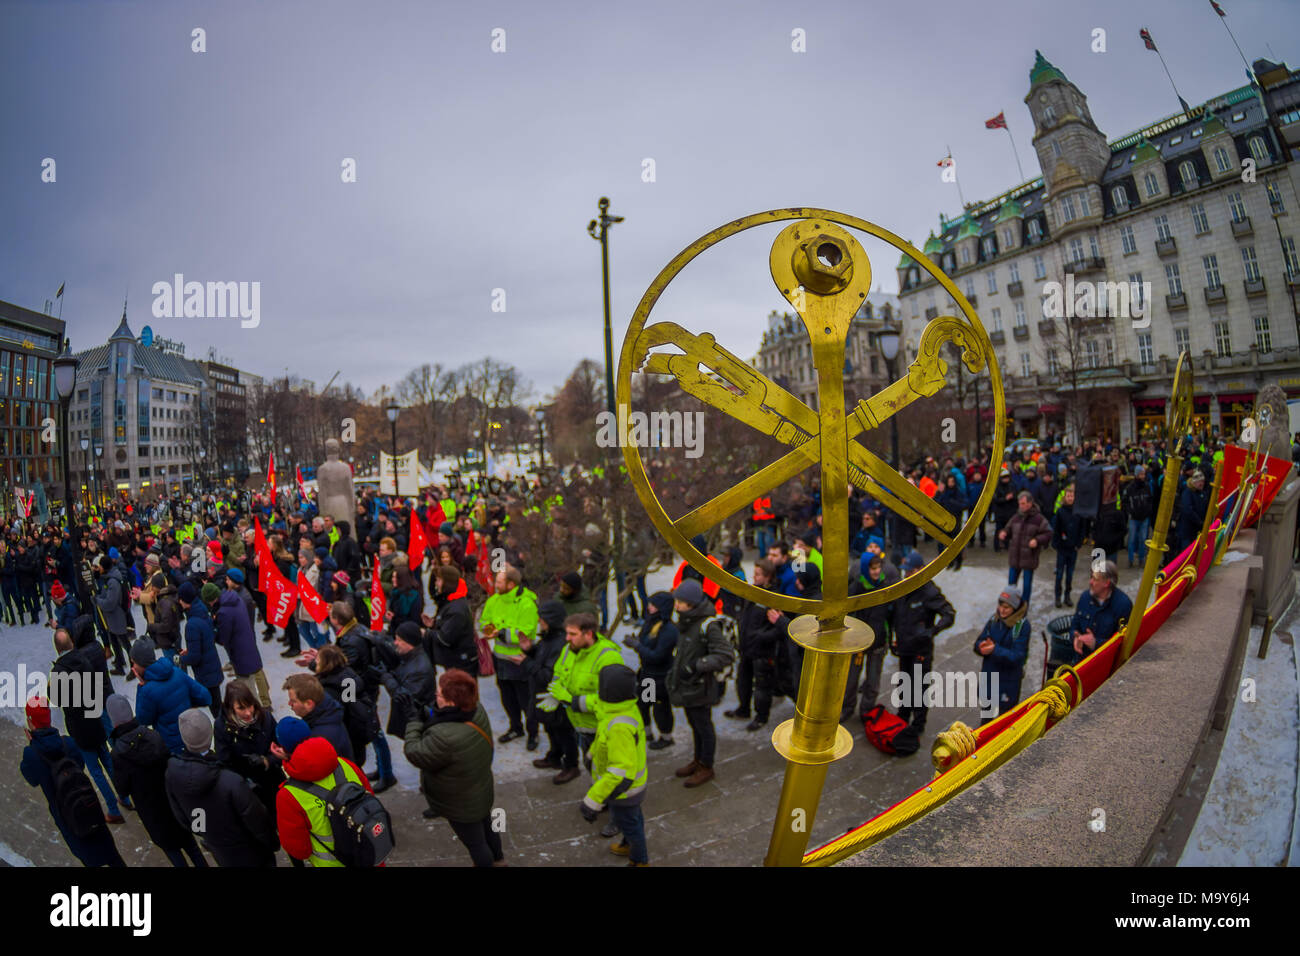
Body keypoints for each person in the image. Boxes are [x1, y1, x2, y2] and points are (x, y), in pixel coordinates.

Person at [402, 669, 504, 866]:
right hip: (480, 788)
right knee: (487, 826)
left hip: (460, 803)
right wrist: (430, 712)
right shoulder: (476, 709)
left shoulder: (444, 736)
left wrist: (413, 722)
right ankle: (499, 859)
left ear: (450, 702)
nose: (436, 696)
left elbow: (415, 752)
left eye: (438, 694)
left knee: (475, 844)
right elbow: (445, 719)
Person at [164, 708, 280, 867]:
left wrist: (210, 833)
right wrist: (272, 843)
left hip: (221, 852)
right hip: (252, 852)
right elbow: (257, 821)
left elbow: (184, 818)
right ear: (210, 733)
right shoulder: (230, 781)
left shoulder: (172, 775)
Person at [20, 696, 126, 867]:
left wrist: (32, 745)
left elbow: (31, 779)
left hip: (67, 816)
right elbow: (81, 765)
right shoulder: (67, 743)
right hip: (89, 804)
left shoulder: (32, 755)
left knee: (87, 856)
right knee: (111, 853)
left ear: (31, 722)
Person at [105, 694, 208, 867]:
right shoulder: (153, 735)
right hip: (173, 804)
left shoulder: (118, 755)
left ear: (113, 721)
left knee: (174, 854)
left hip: (152, 813)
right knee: (192, 847)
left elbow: (122, 790)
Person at [273, 716, 376, 867]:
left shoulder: (288, 796)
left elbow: (299, 851)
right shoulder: (345, 764)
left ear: (283, 748)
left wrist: (286, 761)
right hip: (369, 853)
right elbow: (370, 799)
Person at [666, 579, 736, 788]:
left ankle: (707, 766)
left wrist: (697, 665)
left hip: (701, 687)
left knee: (703, 726)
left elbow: (725, 655)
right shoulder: (687, 621)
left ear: (692, 604)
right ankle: (697, 760)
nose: (676, 605)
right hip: (688, 686)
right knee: (695, 725)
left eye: (681, 602)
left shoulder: (707, 625)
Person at [579, 664, 649, 866]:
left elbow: (620, 771)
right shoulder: (617, 709)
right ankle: (628, 844)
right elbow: (603, 737)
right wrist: (592, 753)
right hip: (625, 789)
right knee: (632, 820)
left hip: (625, 791)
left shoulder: (620, 725)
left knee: (631, 823)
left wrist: (592, 801)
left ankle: (640, 860)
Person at [889, 550, 955, 734]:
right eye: (905, 570)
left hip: (920, 650)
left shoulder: (929, 591)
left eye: (909, 571)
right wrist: (893, 639)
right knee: (904, 684)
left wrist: (931, 632)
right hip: (904, 647)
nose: (906, 574)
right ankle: (902, 717)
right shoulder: (902, 588)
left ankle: (918, 725)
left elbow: (949, 614)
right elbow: (895, 616)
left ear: (919, 570)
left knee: (919, 688)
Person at [480, 565, 539, 746]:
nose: (495, 584)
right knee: (507, 699)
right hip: (501, 659)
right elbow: (484, 620)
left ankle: (533, 733)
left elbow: (526, 633)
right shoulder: (494, 600)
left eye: (499, 581)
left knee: (525, 700)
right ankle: (516, 727)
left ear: (511, 584)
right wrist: (487, 629)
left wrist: (500, 633)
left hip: (519, 661)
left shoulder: (527, 604)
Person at [524, 599, 580, 781]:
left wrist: (525, 662)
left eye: (542, 619)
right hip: (544, 696)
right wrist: (529, 651)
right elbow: (541, 657)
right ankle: (554, 756)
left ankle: (572, 765)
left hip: (556, 697)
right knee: (551, 728)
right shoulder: (548, 638)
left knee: (564, 732)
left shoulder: (560, 643)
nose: (539, 622)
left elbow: (548, 675)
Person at [314, 644, 381, 788]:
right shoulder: (346, 676)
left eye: (318, 660)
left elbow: (344, 710)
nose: (316, 663)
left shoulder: (331, 690)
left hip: (350, 737)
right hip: (358, 734)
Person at [213, 681, 283, 818]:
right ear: (230, 708)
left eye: (250, 705)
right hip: (248, 788)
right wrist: (243, 782)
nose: (248, 712)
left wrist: (267, 760)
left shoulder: (265, 717)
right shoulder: (222, 727)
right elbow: (224, 762)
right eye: (241, 708)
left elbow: (281, 748)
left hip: (274, 779)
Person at [131, 637, 212, 754]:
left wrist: (141, 687)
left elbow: (143, 719)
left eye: (133, 662)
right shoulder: (176, 672)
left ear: (141, 663)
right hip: (194, 736)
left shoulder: (147, 691)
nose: (133, 667)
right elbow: (205, 697)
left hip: (174, 746)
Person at [844, 551, 899, 722]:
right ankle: (847, 708)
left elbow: (892, 615)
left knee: (873, 681)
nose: (876, 571)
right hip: (857, 644)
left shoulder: (885, 587)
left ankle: (866, 710)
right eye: (872, 568)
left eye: (878, 567)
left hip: (878, 643)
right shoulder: (855, 589)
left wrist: (892, 637)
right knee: (851, 680)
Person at [728, 562, 784, 731]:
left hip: (761, 650)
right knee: (742, 680)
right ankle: (743, 708)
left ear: (768, 577)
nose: (754, 576)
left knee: (762, 687)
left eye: (758, 574)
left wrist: (760, 637)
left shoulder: (774, 598)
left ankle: (761, 717)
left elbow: (778, 630)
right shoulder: (753, 592)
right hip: (746, 647)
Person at [211, 575, 271, 708]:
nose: (226, 581)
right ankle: (265, 700)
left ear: (234, 581)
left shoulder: (244, 598)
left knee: (256, 671)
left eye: (228, 579)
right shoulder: (236, 596)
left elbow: (246, 620)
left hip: (246, 638)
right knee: (255, 669)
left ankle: (265, 701)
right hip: (245, 637)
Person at [974, 588, 1031, 722]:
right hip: (989, 680)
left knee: (1005, 722)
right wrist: (980, 647)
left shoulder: (1022, 626)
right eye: (1000, 606)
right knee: (986, 720)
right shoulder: (995, 620)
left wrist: (994, 649)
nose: (1002, 610)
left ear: (1015, 608)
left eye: (1007, 607)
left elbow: (1017, 656)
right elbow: (979, 640)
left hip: (1007, 683)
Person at [629, 591, 677, 745]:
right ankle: (647, 733)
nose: (649, 607)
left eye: (653, 605)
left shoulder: (669, 630)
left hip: (660, 677)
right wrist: (637, 642)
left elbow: (657, 656)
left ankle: (666, 737)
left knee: (660, 708)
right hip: (648, 675)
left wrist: (637, 646)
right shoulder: (651, 623)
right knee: (643, 704)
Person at [1068, 561, 1134, 664]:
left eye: (1095, 579)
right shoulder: (1085, 597)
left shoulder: (1123, 605)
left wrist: (1096, 643)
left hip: (1104, 665)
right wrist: (1075, 638)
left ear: (1106, 583)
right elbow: (1074, 626)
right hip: (1081, 661)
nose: (1090, 582)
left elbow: (1124, 644)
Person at [282, 672, 354, 762]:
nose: (289, 704)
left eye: (293, 701)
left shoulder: (318, 739)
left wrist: (288, 758)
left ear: (309, 704)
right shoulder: (329, 709)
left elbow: (313, 769)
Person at [177, 581, 223, 719]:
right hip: (213, 665)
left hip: (206, 672)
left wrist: (180, 659)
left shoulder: (191, 624)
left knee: (216, 710)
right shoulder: (201, 609)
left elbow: (195, 658)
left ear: (185, 601)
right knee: (217, 703)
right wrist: (190, 650)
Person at [423, 565, 478, 676]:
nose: (436, 583)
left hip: (461, 662)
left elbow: (445, 638)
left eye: (438, 580)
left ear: (447, 583)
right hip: (455, 660)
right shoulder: (450, 601)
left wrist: (427, 633)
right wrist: (434, 623)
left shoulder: (456, 608)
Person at [999, 491, 1052, 606]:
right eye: (1020, 504)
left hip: (1029, 558)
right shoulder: (1016, 517)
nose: (1021, 506)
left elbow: (1048, 533)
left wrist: (1037, 540)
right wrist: (1004, 533)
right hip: (1015, 557)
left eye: (1023, 503)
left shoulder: (1039, 519)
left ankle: (1024, 607)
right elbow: (1008, 529)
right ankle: (1010, 605)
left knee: (1026, 586)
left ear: (1030, 503)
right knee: (1011, 585)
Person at [1051, 485, 1084, 608]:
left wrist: (1079, 543)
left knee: (1069, 575)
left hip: (1073, 549)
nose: (1070, 498)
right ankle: (1058, 597)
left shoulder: (1078, 512)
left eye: (1072, 496)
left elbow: (1082, 529)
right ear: (1065, 497)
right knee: (1059, 575)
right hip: (1062, 549)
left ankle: (1067, 596)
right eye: (1068, 496)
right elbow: (1056, 529)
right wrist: (1056, 543)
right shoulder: (1060, 511)